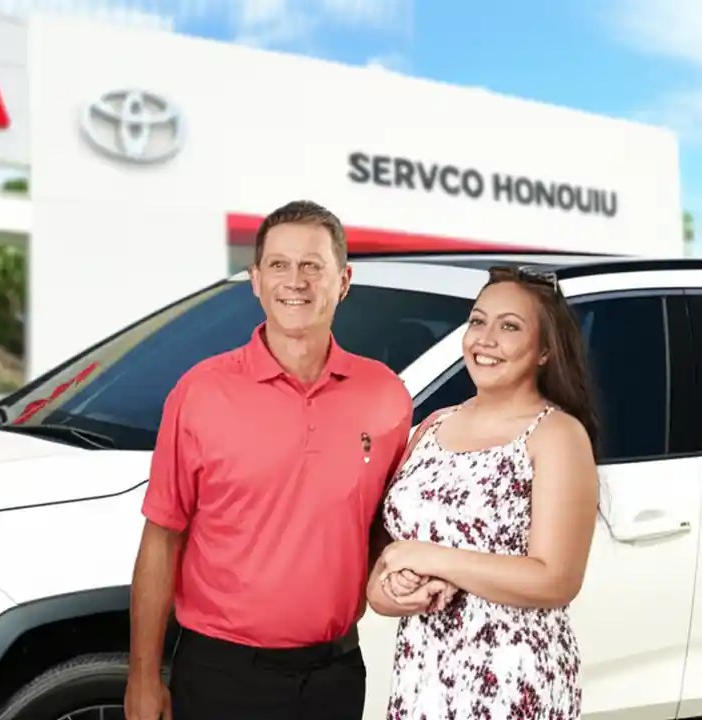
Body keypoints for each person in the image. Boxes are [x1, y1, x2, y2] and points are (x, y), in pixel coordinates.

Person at [124, 199, 445, 720]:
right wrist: (142, 677)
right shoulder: (200, 393)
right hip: (220, 675)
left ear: (343, 280)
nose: (295, 281)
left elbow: (381, 529)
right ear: (255, 280)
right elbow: (162, 537)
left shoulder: (387, 397)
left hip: (335, 675)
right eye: (279, 265)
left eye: (312, 266)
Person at [373, 264, 601, 719]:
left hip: (511, 682)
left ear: (543, 351)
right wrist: (392, 593)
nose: (485, 339)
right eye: (478, 321)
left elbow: (556, 580)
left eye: (510, 326)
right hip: (423, 679)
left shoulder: (555, 435)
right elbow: (386, 563)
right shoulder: (432, 426)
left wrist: (430, 558)